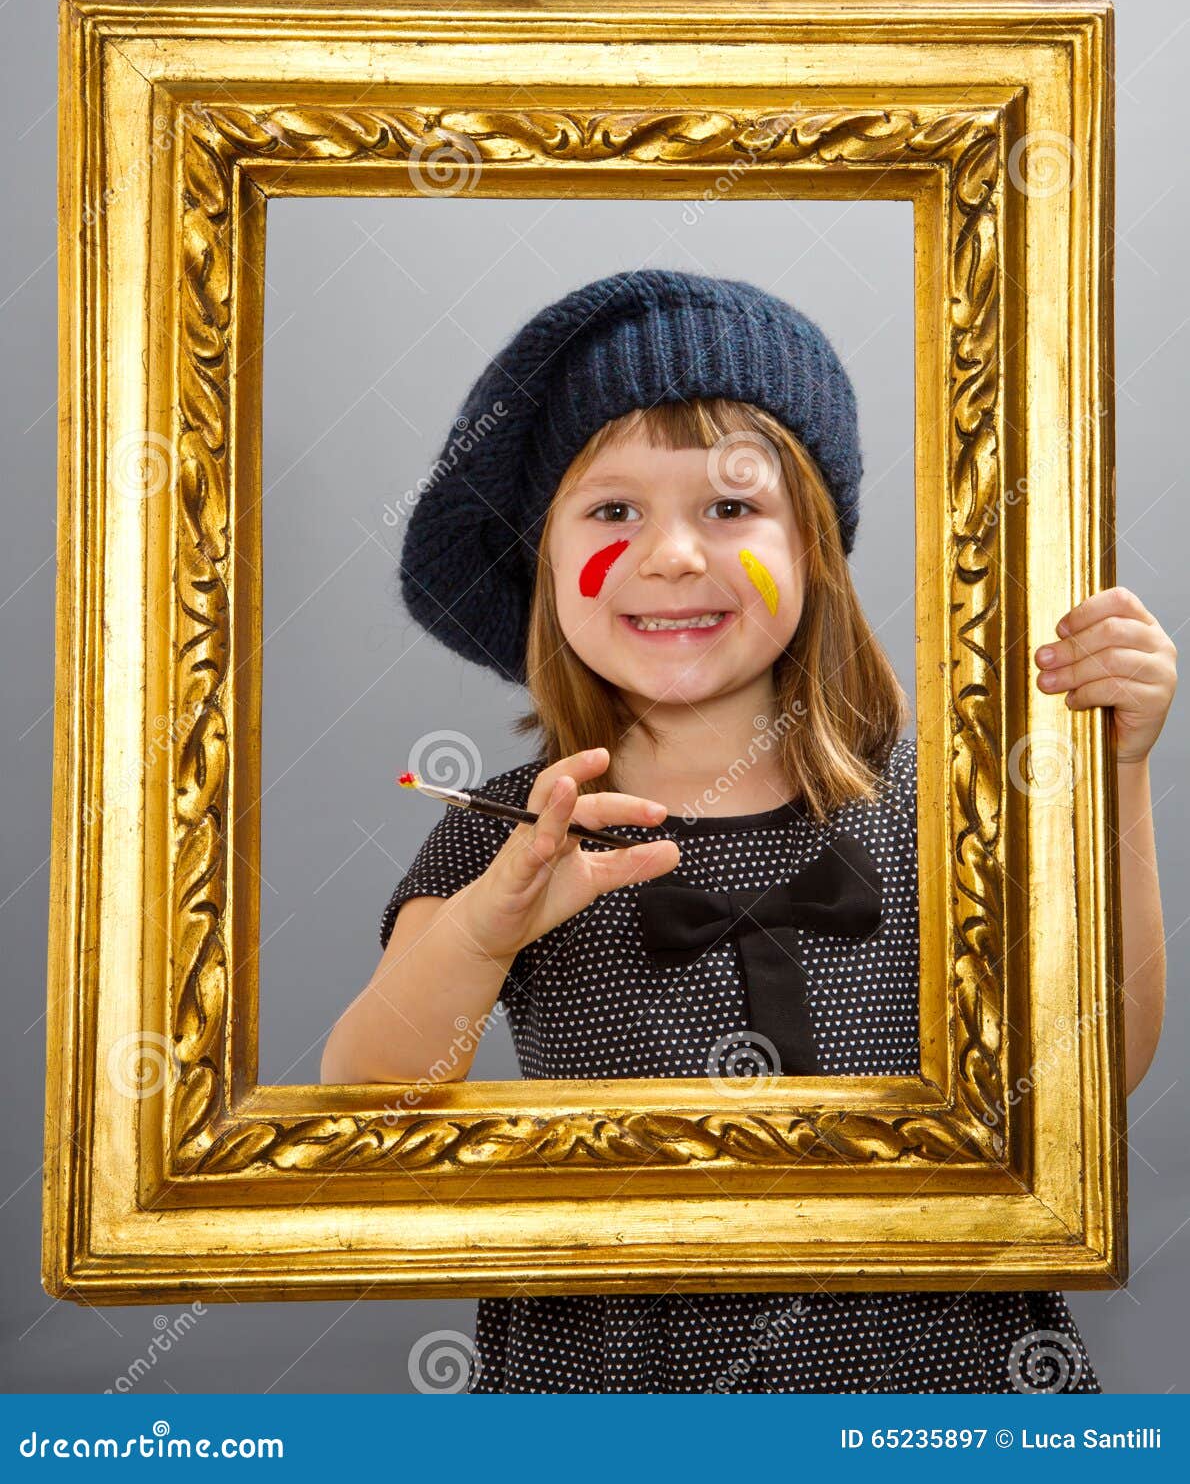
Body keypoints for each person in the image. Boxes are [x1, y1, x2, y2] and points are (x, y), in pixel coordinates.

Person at [321, 268, 1174, 1394]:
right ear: (544, 565)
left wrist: (1113, 782)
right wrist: (481, 934)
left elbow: (1092, 1066)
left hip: (935, 1377)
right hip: (607, 1393)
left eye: (730, 506)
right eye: (612, 510)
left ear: (814, 546)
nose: (672, 554)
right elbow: (369, 1098)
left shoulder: (945, 805)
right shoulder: (510, 830)